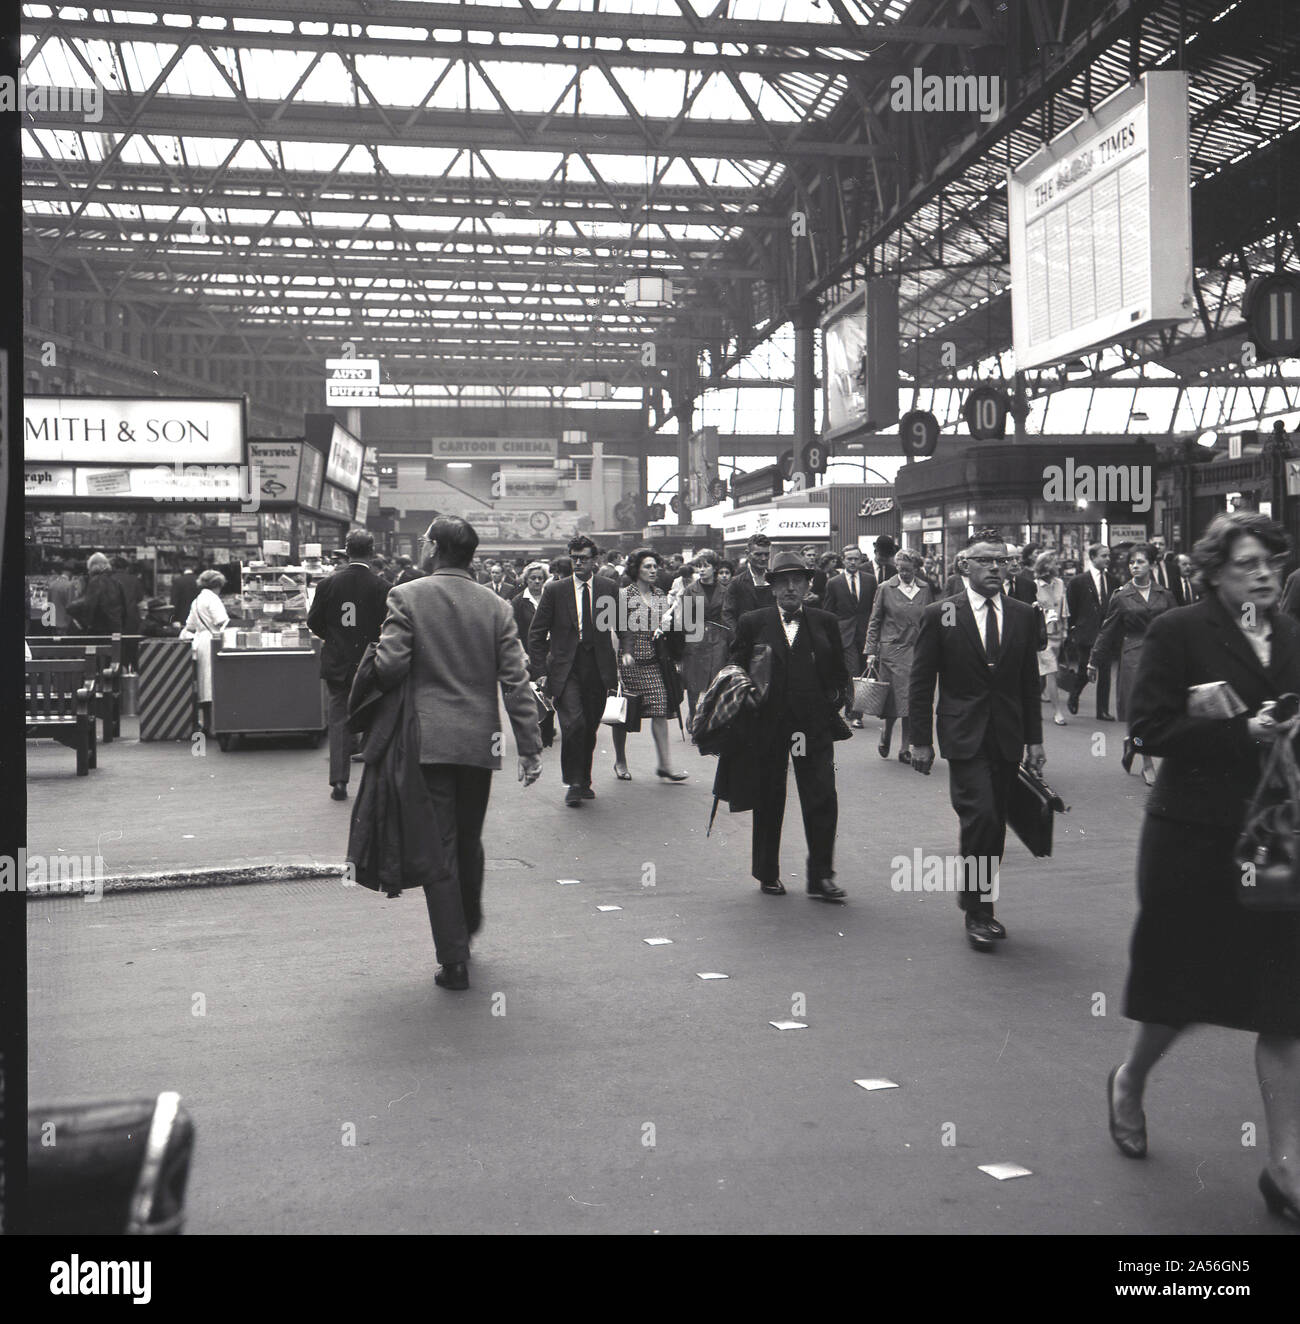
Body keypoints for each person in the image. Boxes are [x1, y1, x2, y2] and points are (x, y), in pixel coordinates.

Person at [1106, 513, 1300, 1223]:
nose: (1265, 575)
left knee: (1285, 1004)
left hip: (1273, 836)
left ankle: (1286, 1168)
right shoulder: (1177, 632)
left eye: (1272, 563)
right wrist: (1236, 731)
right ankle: (1130, 1080)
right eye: (1250, 563)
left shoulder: (1292, 635)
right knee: (1176, 992)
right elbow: (1149, 727)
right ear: (1215, 570)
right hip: (1192, 838)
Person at [371, 516, 543, 992]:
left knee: (440, 846)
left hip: (428, 743)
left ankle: (454, 958)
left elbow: (389, 666)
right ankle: (467, 922)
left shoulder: (407, 596)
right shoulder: (496, 606)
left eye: (427, 540)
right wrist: (529, 748)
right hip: (478, 743)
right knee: (468, 839)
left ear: (436, 549)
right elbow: (516, 682)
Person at [908, 531, 1046, 952]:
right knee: (981, 816)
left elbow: (1027, 681)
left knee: (994, 821)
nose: (995, 569)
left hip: (1006, 734)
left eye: (1002, 562)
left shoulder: (1023, 614)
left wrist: (1035, 740)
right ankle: (977, 910)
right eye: (986, 562)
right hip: (962, 733)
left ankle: (982, 902)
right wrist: (919, 741)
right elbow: (920, 680)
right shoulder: (942, 613)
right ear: (964, 566)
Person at [728, 551, 850, 901]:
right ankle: (768, 872)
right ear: (773, 587)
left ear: (809, 585)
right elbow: (735, 666)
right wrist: (747, 696)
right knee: (769, 797)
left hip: (812, 726)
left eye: (798, 581)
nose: (791, 588)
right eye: (783, 582)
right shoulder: (754, 622)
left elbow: (839, 671)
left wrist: (832, 701)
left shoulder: (824, 622)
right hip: (768, 725)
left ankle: (821, 876)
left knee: (822, 797)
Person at [528, 534, 619, 806]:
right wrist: (541, 670)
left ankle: (584, 779)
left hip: (598, 666)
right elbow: (536, 633)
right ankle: (573, 782)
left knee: (589, 726)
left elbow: (622, 624)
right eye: (574, 558)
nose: (578, 563)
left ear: (595, 560)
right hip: (565, 668)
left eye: (584, 558)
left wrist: (626, 651)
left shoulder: (609, 587)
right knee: (573, 723)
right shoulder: (556, 590)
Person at [307, 530, 390, 802]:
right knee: (376, 718)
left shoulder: (327, 584)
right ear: (372, 550)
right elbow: (386, 627)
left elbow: (314, 622)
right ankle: (376, 782)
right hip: (369, 661)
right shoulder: (383, 587)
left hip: (337, 662)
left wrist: (333, 638)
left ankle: (339, 782)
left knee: (339, 720)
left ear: (346, 550)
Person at [1087, 544, 1176, 786]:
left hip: (1162, 655)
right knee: (1142, 708)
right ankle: (1147, 763)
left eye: (1140, 562)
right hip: (1134, 655)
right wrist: (1094, 660)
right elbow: (1107, 630)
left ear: (1152, 565)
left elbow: (1177, 627)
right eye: (1132, 563)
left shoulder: (1165, 595)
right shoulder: (1121, 595)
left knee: (1161, 709)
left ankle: (1134, 741)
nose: (1135, 566)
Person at [609, 548, 688, 782]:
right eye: (647, 567)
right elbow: (618, 631)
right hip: (629, 662)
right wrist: (621, 658)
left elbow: (668, 629)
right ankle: (620, 760)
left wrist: (669, 624)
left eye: (655, 567)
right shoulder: (623, 596)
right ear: (636, 569)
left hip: (654, 662)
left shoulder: (660, 595)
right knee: (623, 713)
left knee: (661, 708)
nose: (653, 571)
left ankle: (665, 764)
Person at [864, 548, 933, 760]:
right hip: (892, 652)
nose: (903, 573)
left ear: (916, 568)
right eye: (900, 569)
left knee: (912, 699)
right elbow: (875, 620)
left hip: (917, 650)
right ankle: (887, 732)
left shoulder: (925, 588)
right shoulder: (885, 587)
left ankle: (904, 748)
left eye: (908, 569)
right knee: (895, 700)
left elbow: (930, 619)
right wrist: (870, 651)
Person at [823, 545, 878, 728]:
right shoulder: (834, 583)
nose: (853, 562)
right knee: (852, 672)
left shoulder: (870, 581)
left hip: (865, 632)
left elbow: (875, 609)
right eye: (849, 559)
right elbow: (828, 612)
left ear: (861, 560)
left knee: (862, 672)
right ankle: (855, 713)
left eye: (856, 559)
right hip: (844, 634)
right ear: (843, 560)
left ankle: (853, 709)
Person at [1064, 543, 1118, 719]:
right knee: (1084, 670)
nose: (1107, 559)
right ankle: (1074, 694)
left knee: (1105, 672)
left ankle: (1102, 710)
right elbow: (1072, 608)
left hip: (1106, 633)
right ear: (1093, 557)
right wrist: (1073, 630)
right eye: (1104, 556)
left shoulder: (1113, 581)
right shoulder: (1078, 581)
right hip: (1086, 633)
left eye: (1109, 556)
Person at [678, 551, 729, 721]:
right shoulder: (690, 591)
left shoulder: (725, 591)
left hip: (718, 640)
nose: (701, 569)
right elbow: (685, 620)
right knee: (694, 684)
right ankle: (693, 717)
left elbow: (727, 617)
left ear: (715, 568)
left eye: (706, 566)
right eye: (699, 566)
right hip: (696, 640)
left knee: (715, 682)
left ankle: (709, 720)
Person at [179, 569, 230, 725]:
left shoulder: (197, 601)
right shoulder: (213, 600)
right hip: (213, 642)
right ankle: (215, 723)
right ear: (218, 585)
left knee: (203, 682)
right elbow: (221, 621)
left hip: (201, 642)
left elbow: (190, 626)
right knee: (213, 681)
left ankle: (207, 723)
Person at [1034, 552, 1070, 727]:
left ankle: (1032, 706)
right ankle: (1057, 712)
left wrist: (1065, 631)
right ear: (1046, 566)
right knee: (1050, 671)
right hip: (1042, 636)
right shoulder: (1034, 586)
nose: (1058, 565)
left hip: (1058, 633)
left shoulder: (1060, 583)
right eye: (1055, 562)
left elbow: (1064, 608)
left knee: (1046, 673)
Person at [721, 533, 774, 633]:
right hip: (746, 641)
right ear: (747, 554)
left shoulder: (775, 580)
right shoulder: (736, 583)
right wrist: (739, 638)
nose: (763, 558)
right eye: (758, 554)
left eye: (766, 554)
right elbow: (727, 615)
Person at [68, 553, 130, 635]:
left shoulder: (95, 581)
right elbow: (124, 611)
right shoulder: (116, 583)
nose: (88, 572)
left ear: (93, 567)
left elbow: (89, 607)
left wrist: (71, 608)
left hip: (100, 631)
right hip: (116, 629)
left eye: (89, 569)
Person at [511, 561, 549, 642]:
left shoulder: (550, 597)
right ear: (526, 580)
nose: (537, 581)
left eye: (540, 578)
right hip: (528, 647)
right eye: (533, 578)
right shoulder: (517, 601)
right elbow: (515, 630)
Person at [111, 556, 146, 629]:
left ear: (113, 567)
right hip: (132, 618)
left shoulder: (109, 579)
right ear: (127, 568)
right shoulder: (134, 580)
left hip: (114, 618)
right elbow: (140, 599)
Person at [44, 562, 75, 633]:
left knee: (54, 643)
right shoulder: (70, 585)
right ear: (70, 573)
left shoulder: (52, 584)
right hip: (64, 625)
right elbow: (70, 607)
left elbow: (49, 605)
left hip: (53, 624)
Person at [169, 559, 200, 623]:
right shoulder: (200, 580)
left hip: (182, 617)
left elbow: (174, 602)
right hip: (198, 616)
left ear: (182, 568)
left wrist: (172, 619)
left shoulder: (177, 581)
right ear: (193, 568)